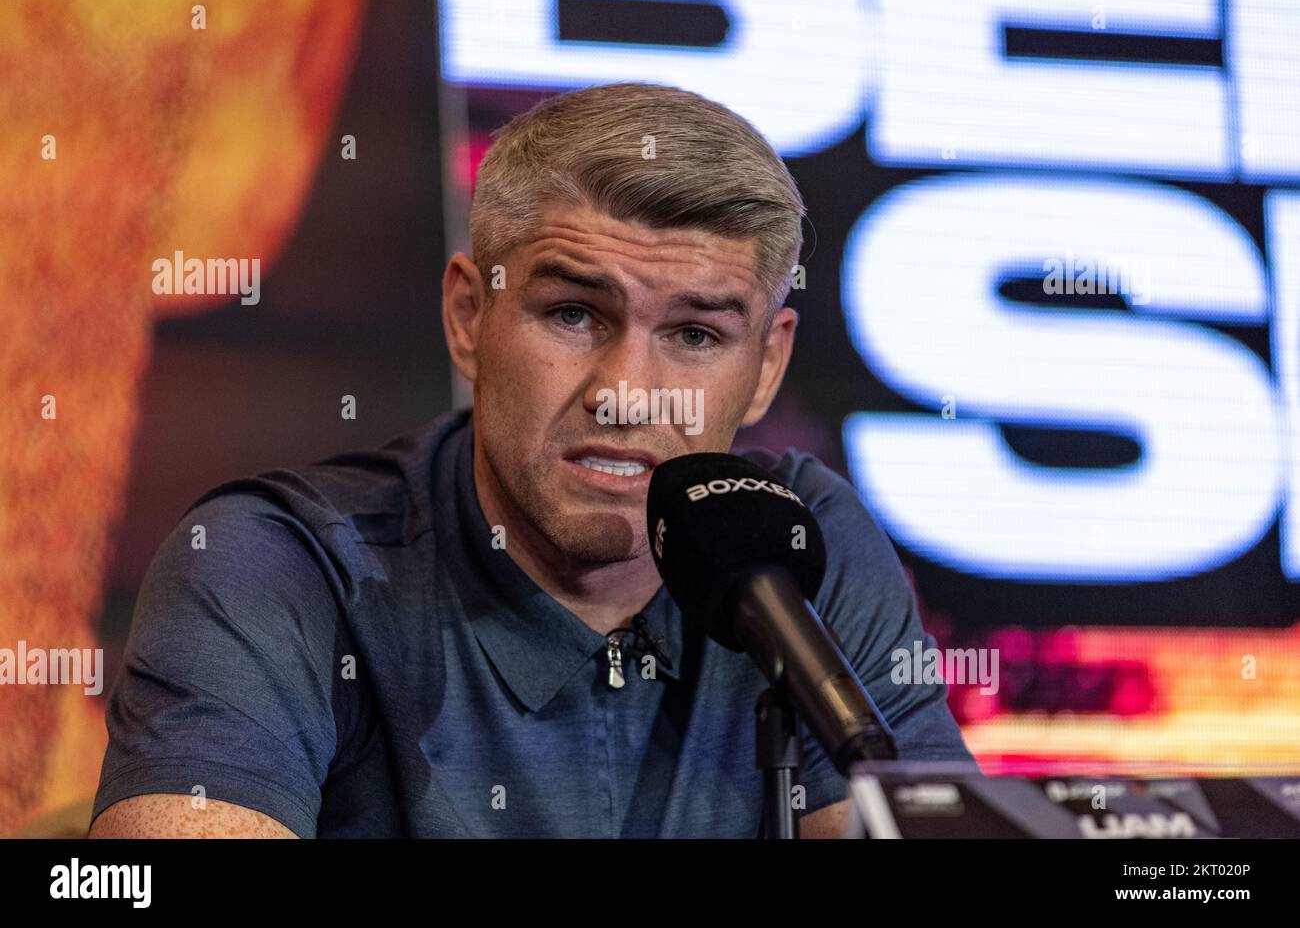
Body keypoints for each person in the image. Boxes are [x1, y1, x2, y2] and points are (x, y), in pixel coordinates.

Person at [89, 82, 973, 839]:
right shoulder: (274, 564)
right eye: (574, 315)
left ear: (767, 366)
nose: (628, 391)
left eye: (696, 334)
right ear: (471, 316)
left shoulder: (797, 546)